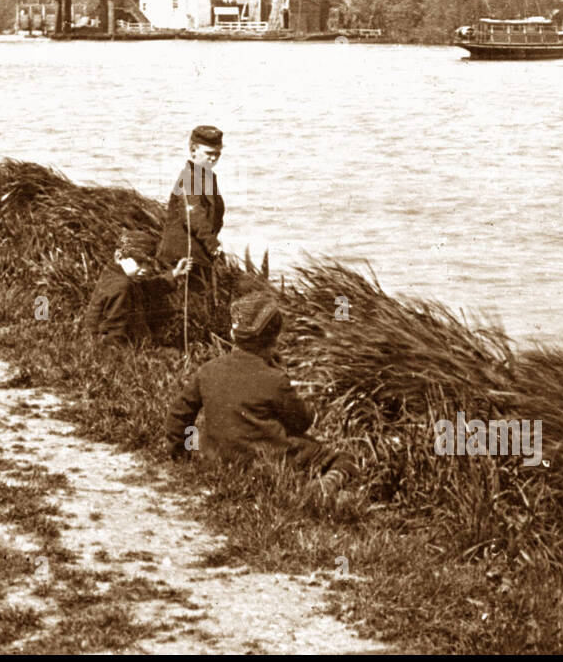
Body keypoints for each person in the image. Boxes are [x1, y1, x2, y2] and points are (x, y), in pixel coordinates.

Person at [165, 291, 358, 496]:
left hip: (217, 460)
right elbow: (302, 422)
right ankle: (320, 489)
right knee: (341, 458)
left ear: (233, 334)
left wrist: (181, 454)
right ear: (275, 336)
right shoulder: (274, 379)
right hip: (266, 462)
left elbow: (179, 414)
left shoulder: (208, 369)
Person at [156, 125, 225, 314]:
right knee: (190, 310)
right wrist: (213, 245)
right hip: (183, 255)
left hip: (196, 253)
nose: (213, 158)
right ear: (193, 150)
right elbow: (193, 216)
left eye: (217, 154)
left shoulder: (205, 176)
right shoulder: (189, 177)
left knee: (198, 307)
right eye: (209, 153)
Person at [82, 229, 191, 345]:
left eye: (148, 263)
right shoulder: (120, 287)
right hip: (113, 348)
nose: (145, 268)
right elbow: (114, 335)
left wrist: (175, 273)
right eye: (140, 262)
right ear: (119, 257)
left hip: (120, 344)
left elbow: (146, 288)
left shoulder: (117, 275)